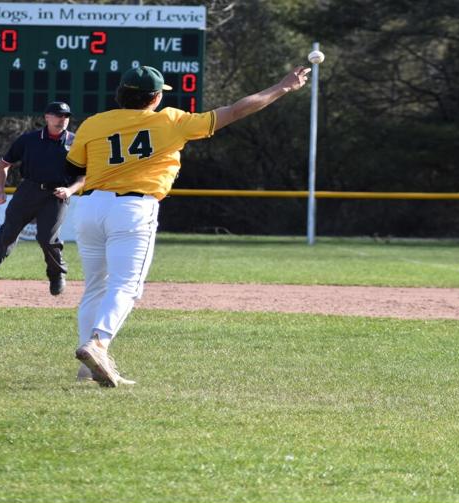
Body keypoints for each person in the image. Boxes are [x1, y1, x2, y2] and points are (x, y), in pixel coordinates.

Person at [56, 64, 312, 387]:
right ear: (155, 97)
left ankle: (86, 367)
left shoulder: (95, 123)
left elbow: (73, 166)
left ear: (121, 94)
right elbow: (234, 111)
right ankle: (98, 345)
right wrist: (282, 87)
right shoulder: (170, 120)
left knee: (96, 285)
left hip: (90, 207)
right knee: (126, 287)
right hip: (133, 207)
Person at [0, 101, 75, 297]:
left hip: (57, 194)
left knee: (47, 239)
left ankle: (57, 275)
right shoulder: (29, 139)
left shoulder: (75, 142)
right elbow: (3, 164)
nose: (62, 119)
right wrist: (0, 190)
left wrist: (70, 190)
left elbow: (83, 176)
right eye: (58, 115)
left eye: (66, 115)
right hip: (28, 191)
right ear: (46, 117)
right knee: (6, 236)